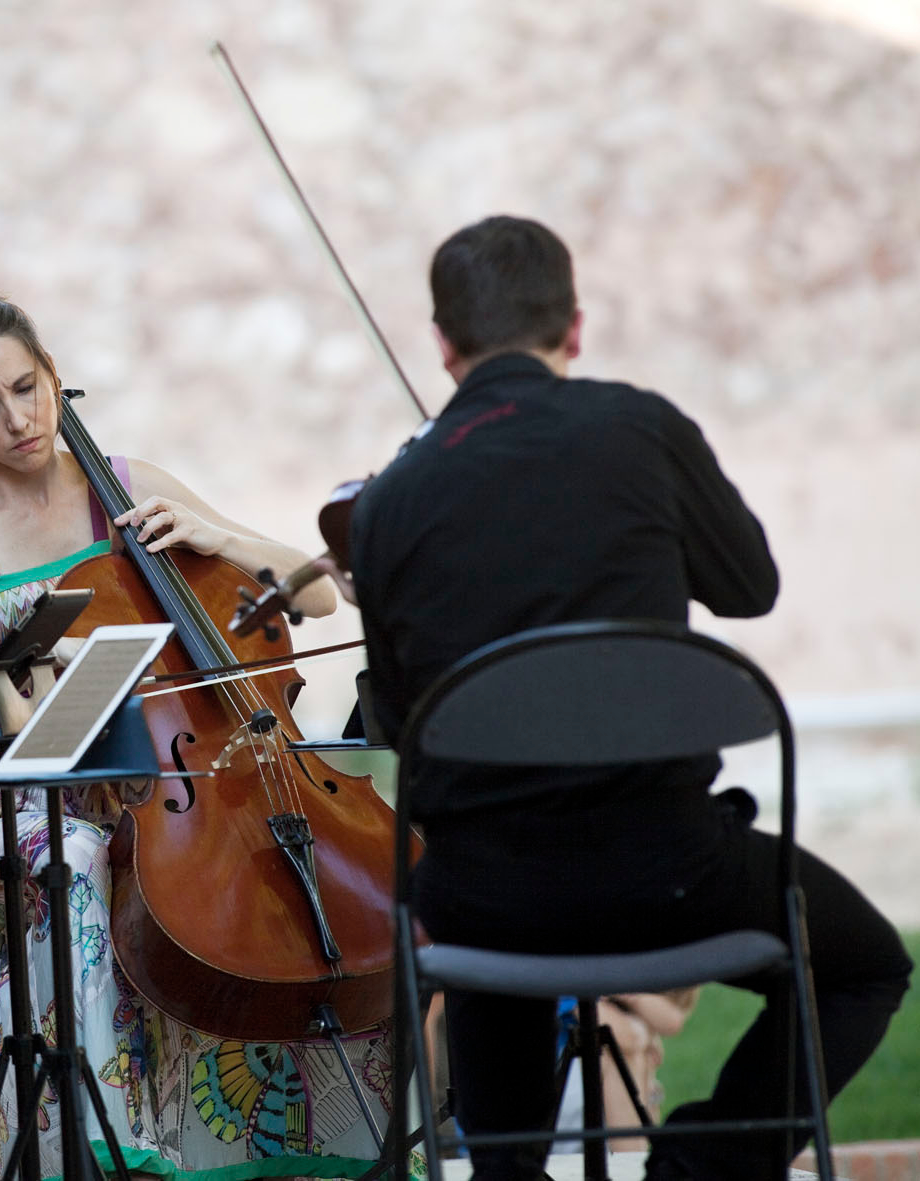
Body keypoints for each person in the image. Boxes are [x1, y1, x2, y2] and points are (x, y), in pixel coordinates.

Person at [349, 214, 913, 1181]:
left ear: (442, 345)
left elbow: (403, 726)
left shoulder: (390, 499)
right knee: (865, 963)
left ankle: (511, 1167)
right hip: (669, 874)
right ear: (575, 326)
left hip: (490, 899)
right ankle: (696, 1170)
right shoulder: (642, 428)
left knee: (491, 875)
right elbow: (750, 587)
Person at [0, 294, 395, 1180]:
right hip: (25, 810)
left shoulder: (129, 479)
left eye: (27, 386)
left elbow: (316, 596)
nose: (18, 419)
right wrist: (28, 657)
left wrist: (219, 537)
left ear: (54, 373)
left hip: (190, 789)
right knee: (75, 854)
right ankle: (98, 1154)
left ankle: (324, 1153)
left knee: (309, 876)